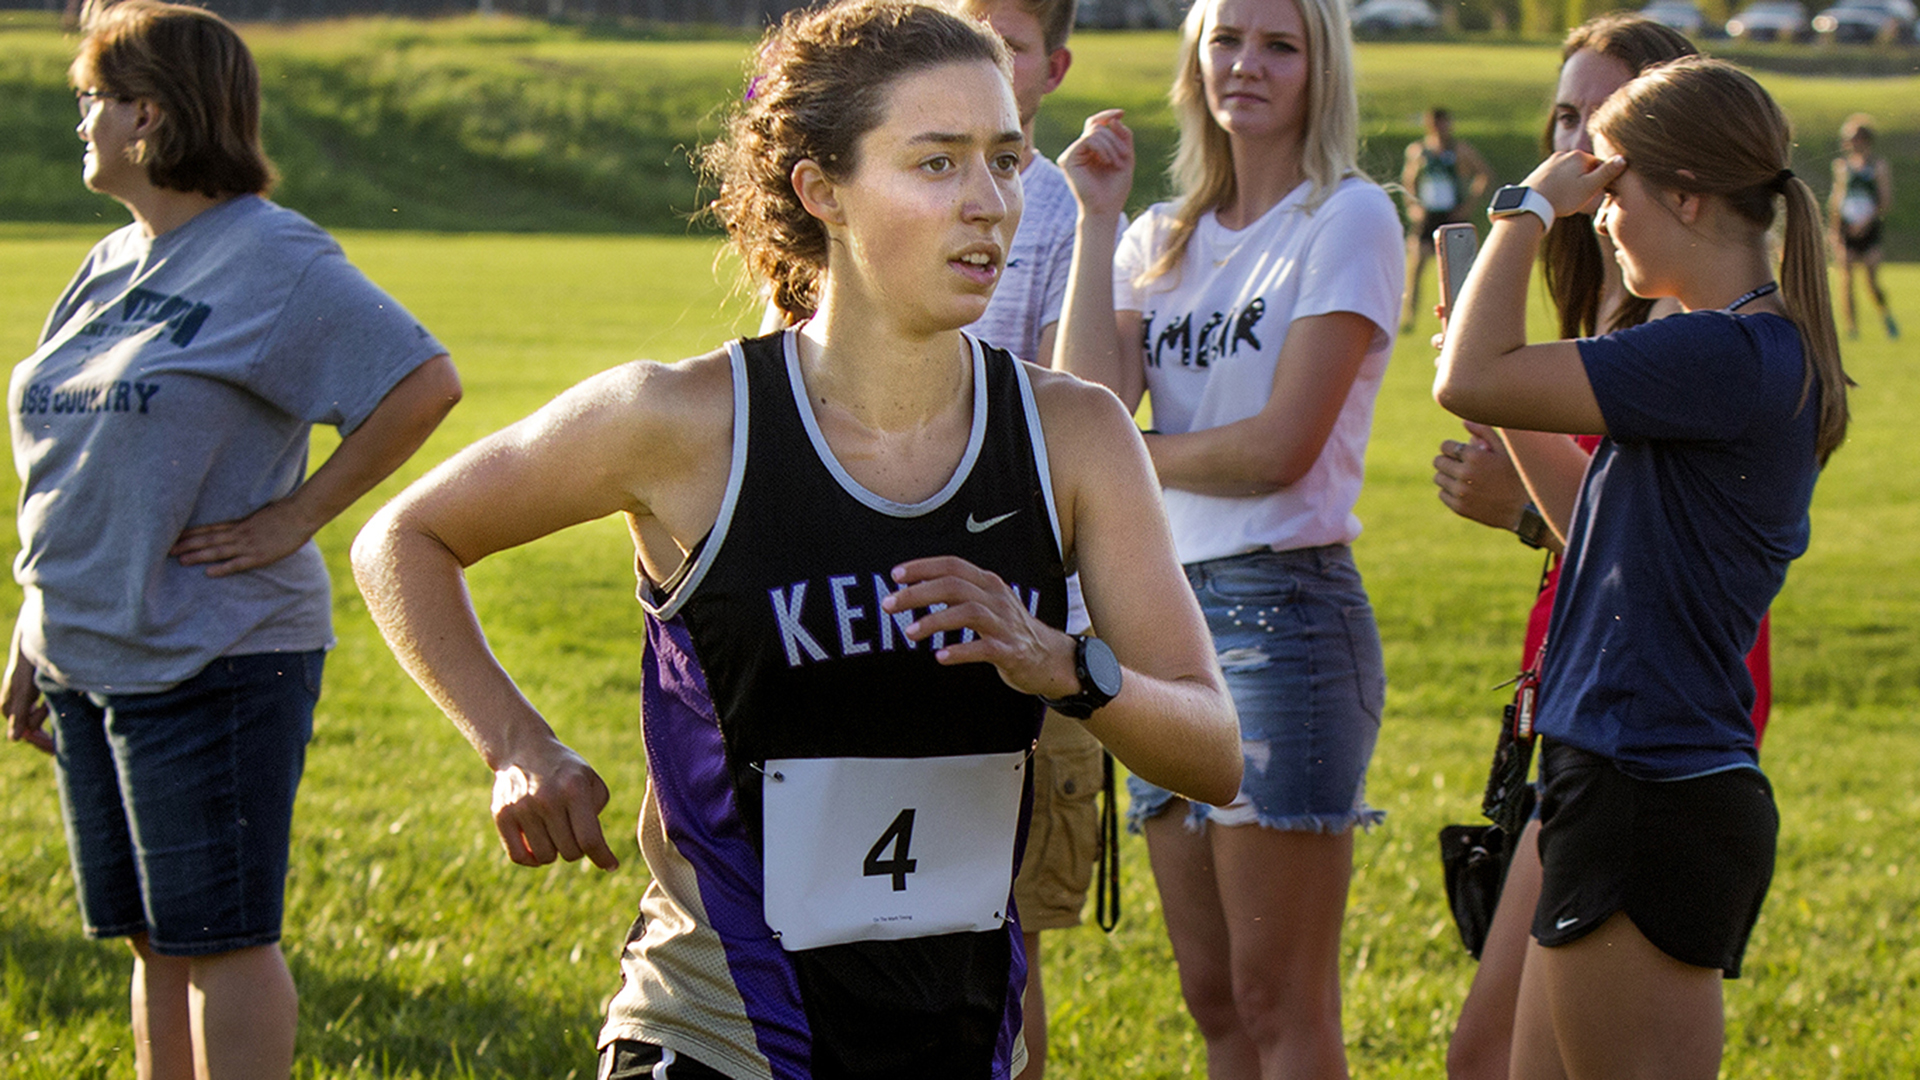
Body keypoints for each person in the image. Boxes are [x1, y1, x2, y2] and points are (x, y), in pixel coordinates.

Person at [349, 3, 1241, 1077]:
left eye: (1005, 161)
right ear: (824, 192)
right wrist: (518, 746)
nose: (989, 205)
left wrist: (1067, 668)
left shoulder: (1076, 434)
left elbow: (1215, 752)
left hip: (953, 1042)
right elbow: (406, 537)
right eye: (936, 163)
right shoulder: (682, 425)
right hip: (716, 1034)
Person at [1, 3, 461, 1077]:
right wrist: (36, 622)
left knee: (223, 939)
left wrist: (297, 514)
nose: (80, 121)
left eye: (93, 99)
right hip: (90, 649)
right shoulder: (116, 258)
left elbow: (421, 381)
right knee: (153, 937)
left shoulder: (272, 258)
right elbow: (76, 466)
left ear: (149, 114)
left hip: (214, 651)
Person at [1434, 56, 1850, 1080]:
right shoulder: (1718, 353)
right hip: (1619, 774)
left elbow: (1468, 373)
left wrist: (1528, 209)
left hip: (1648, 788)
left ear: (1688, 195)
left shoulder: (1727, 356)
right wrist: (1510, 394)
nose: (1599, 216)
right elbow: (1591, 526)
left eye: (1609, 190)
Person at [1051, 0, 1402, 1073]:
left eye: (1279, 45)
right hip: (1162, 624)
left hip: (1286, 615)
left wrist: (1126, 461)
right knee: (1212, 999)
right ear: (1195, 57)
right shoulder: (1162, 238)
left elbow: (1280, 448)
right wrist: (1100, 219)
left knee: (1279, 997)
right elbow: (1085, 403)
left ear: (1319, 66)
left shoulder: (1346, 217)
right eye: (1226, 41)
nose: (1246, 65)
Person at [939, 0, 1114, 1075]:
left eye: (1003, 43)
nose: (979, 58)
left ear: (1050, 67)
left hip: (1030, 619)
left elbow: (1077, 409)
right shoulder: (891, 181)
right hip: (886, 593)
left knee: (1003, 943)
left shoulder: (1058, 210)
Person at [1401, 106, 1492, 332]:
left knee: (1459, 269)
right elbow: (1408, 181)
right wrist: (1413, 206)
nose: (1440, 128)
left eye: (1443, 123)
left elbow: (1483, 174)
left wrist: (1468, 205)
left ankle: (1466, 317)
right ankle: (1409, 319)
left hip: (1452, 214)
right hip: (1428, 214)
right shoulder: (1419, 151)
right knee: (1416, 267)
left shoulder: (1460, 150)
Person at [1829, 113, 1897, 340]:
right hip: (1847, 228)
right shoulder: (1842, 166)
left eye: (1854, 137)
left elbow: (1884, 202)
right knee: (1846, 278)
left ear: (1865, 139)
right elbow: (1837, 199)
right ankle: (1852, 329)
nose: (1849, 142)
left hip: (1869, 228)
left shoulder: (1877, 165)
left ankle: (1885, 315)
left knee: (1871, 280)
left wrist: (1865, 223)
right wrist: (1834, 229)